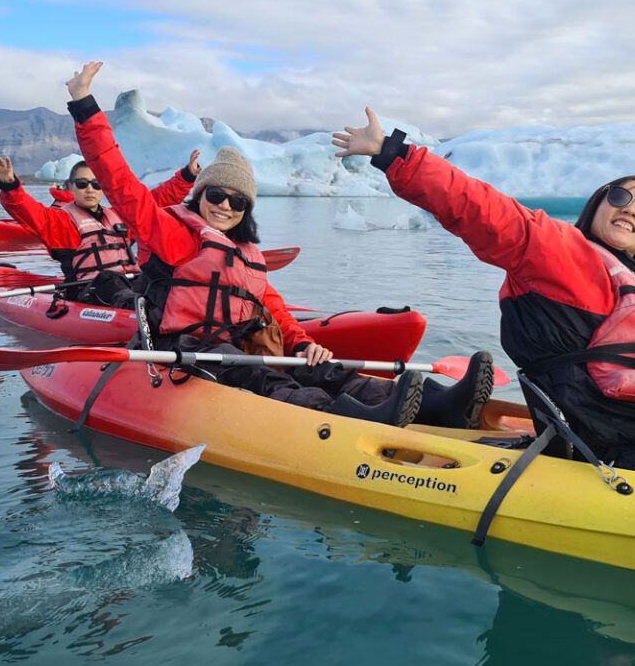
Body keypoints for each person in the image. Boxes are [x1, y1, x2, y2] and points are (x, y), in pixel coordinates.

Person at [61, 62, 492, 427]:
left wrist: (303, 345)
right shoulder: (175, 236)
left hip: (238, 346)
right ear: (201, 195)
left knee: (325, 368)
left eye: (237, 201)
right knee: (269, 379)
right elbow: (119, 181)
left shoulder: (247, 256)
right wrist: (84, 106)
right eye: (216, 196)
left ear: (246, 208)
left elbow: (273, 308)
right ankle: (351, 419)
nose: (225, 206)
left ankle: (434, 406)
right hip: (192, 351)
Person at [332, 108, 635, 481]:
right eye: (620, 198)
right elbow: (480, 208)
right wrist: (395, 155)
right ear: (595, 207)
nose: (633, 210)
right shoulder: (558, 253)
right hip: (616, 446)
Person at [0, 146, 202, 307]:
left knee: (159, 274)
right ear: (70, 187)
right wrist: (10, 186)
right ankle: (141, 314)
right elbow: (25, 210)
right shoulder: (60, 222)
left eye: (96, 184)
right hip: (91, 293)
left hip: (130, 286)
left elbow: (154, 201)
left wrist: (186, 176)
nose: (89, 189)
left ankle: (173, 311)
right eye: (82, 184)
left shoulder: (118, 217)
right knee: (108, 279)